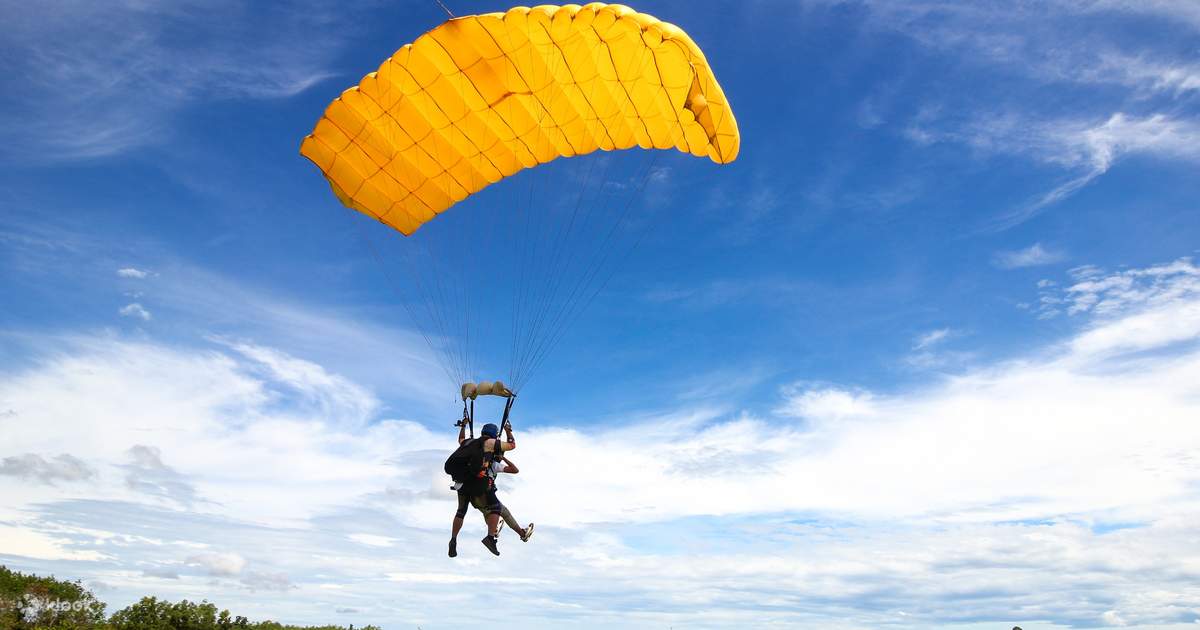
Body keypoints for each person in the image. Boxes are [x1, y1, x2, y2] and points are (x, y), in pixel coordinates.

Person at [448, 420, 517, 557]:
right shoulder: (490, 443)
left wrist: (463, 427)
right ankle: (490, 538)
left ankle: (453, 539)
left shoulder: (469, 442)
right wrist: (508, 431)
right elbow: (512, 445)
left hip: (462, 481)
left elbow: (461, 439)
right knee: (496, 507)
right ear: (494, 435)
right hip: (477, 483)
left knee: (461, 511)